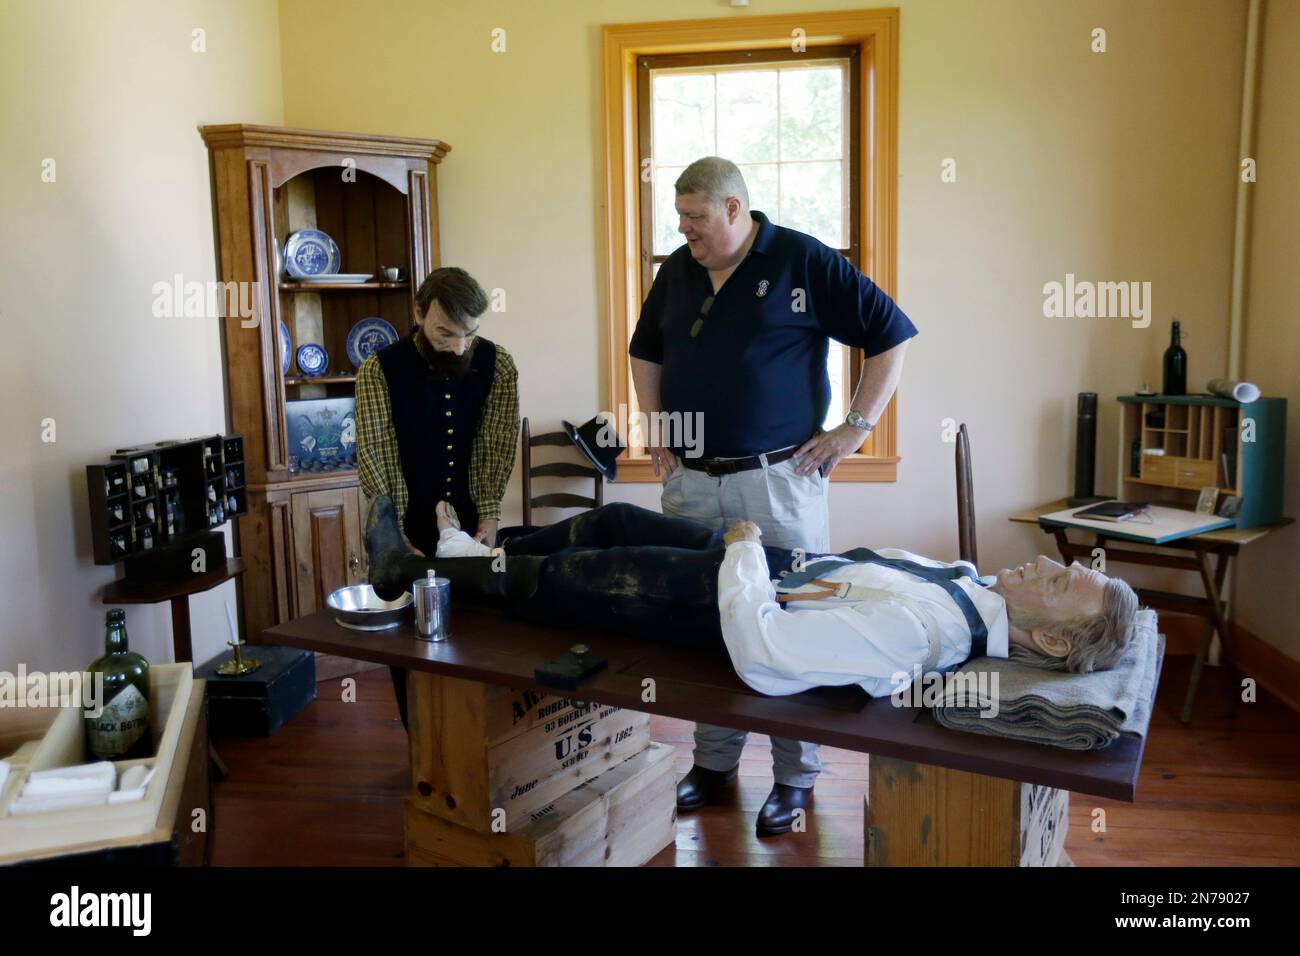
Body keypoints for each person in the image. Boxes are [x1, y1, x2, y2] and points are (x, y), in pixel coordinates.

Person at [629, 156, 918, 833]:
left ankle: (794, 776)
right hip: (693, 483)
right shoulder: (677, 270)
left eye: (696, 218)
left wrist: (854, 429)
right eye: (680, 219)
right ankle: (714, 763)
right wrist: (657, 428)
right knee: (706, 619)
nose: (686, 230)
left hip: (778, 480)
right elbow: (646, 350)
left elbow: (891, 334)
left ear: (735, 209)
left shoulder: (801, 260)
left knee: (792, 622)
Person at [365, 498, 1141, 702]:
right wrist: (747, 549)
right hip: (763, 563)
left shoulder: (925, 633)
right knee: (613, 520)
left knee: (572, 578)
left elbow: (766, 656)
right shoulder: (967, 587)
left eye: (1063, 582)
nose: (1047, 561)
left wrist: (739, 549)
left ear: (1046, 641)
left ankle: (411, 570)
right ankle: (463, 556)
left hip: (723, 600)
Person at [356, 267, 520, 731]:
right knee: (411, 642)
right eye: (445, 332)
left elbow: (496, 441)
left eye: (469, 333)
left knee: (478, 630)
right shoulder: (379, 370)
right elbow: (375, 450)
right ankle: (421, 742)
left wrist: (488, 513)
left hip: (472, 520)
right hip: (407, 523)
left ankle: (478, 740)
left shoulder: (498, 364)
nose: (458, 347)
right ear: (418, 314)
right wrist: (393, 529)